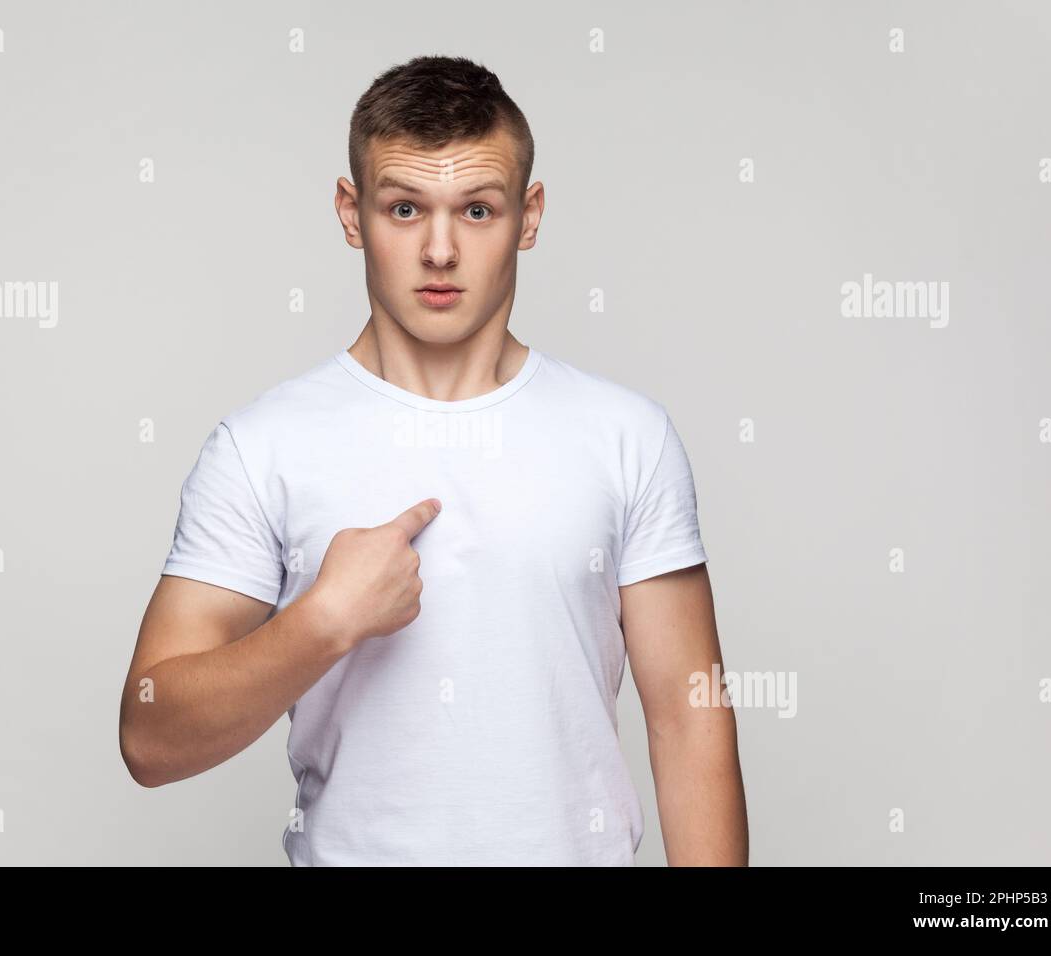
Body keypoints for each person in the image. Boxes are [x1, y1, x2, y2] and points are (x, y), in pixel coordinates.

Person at [119, 55, 748, 866]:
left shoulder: (626, 435)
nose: (440, 250)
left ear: (529, 214)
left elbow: (688, 720)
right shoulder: (261, 447)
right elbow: (150, 737)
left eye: (477, 210)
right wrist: (323, 622)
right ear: (352, 213)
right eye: (406, 207)